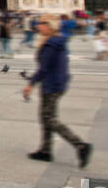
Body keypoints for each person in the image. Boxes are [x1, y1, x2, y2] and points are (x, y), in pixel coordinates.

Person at [23, 15, 91, 166]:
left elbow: (44, 69)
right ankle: (45, 151)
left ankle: (80, 145)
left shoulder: (51, 44)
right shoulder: (57, 41)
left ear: (49, 26)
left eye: (40, 23)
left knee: (49, 119)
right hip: (57, 83)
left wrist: (30, 84)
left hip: (51, 85)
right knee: (47, 117)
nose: (37, 26)